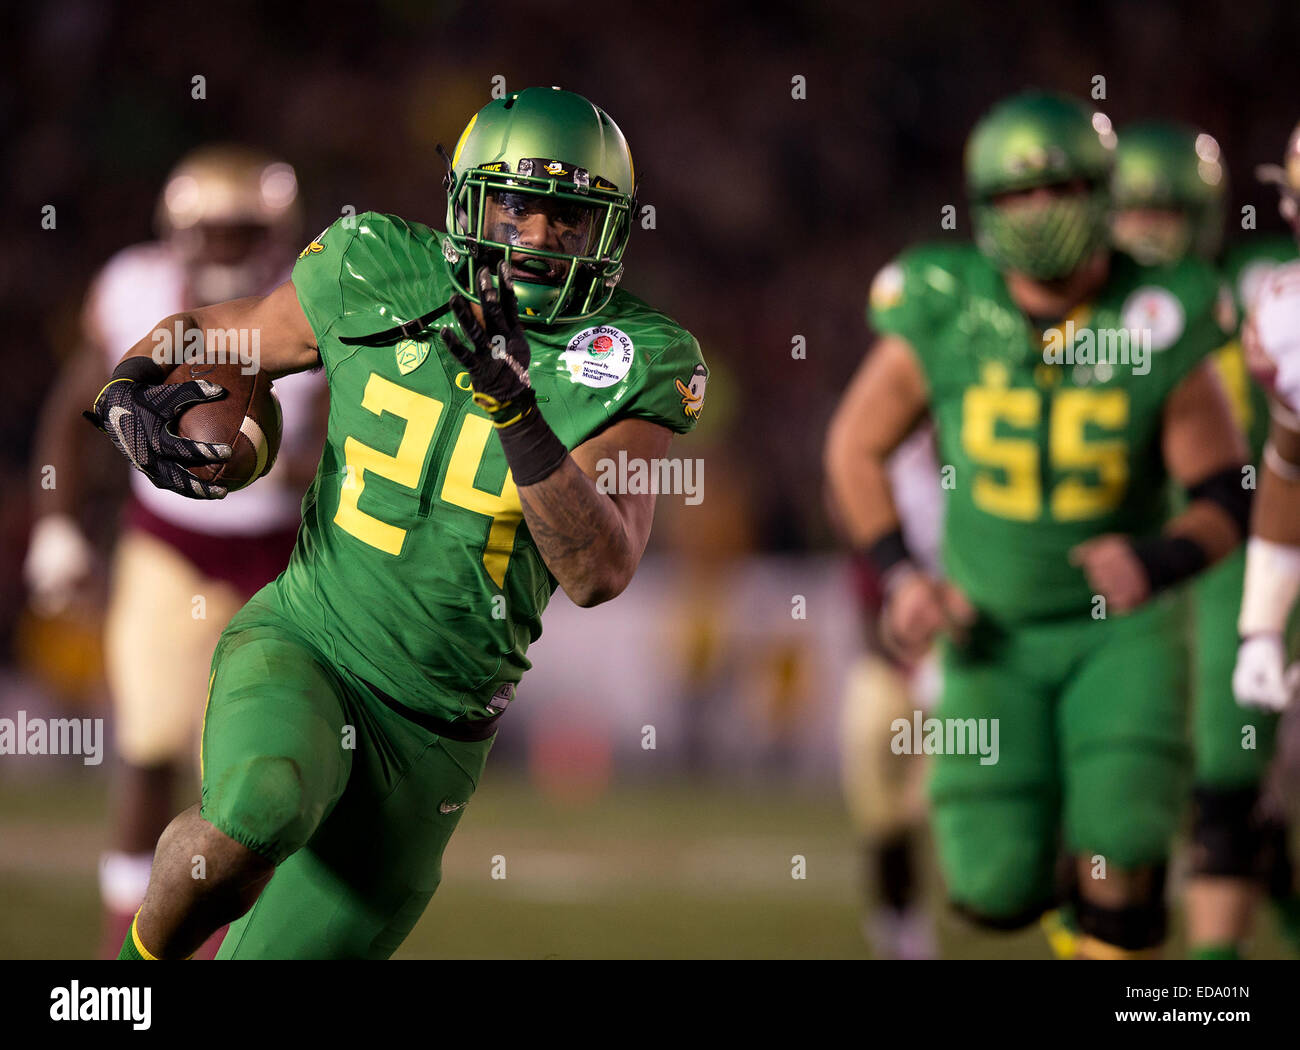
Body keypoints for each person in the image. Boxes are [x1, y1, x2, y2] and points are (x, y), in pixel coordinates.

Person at [85, 87, 707, 960]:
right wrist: (129, 380)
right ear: (467, 202)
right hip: (312, 643)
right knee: (258, 807)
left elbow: (599, 568)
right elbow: (219, 334)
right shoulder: (373, 263)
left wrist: (517, 409)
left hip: (437, 734)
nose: (534, 238)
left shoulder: (638, 354)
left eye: (566, 218)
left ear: (606, 232)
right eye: (515, 207)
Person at [826, 91, 1248, 959]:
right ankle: (1056, 868)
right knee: (991, 885)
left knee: (1126, 841)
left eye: (1056, 190)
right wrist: (901, 576)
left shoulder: (1154, 311)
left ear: (1101, 194)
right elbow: (852, 448)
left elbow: (1228, 494)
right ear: (983, 208)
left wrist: (1160, 557)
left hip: (1121, 633)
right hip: (992, 632)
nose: (1038, 212)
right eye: (1016, 195)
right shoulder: (948, 302)